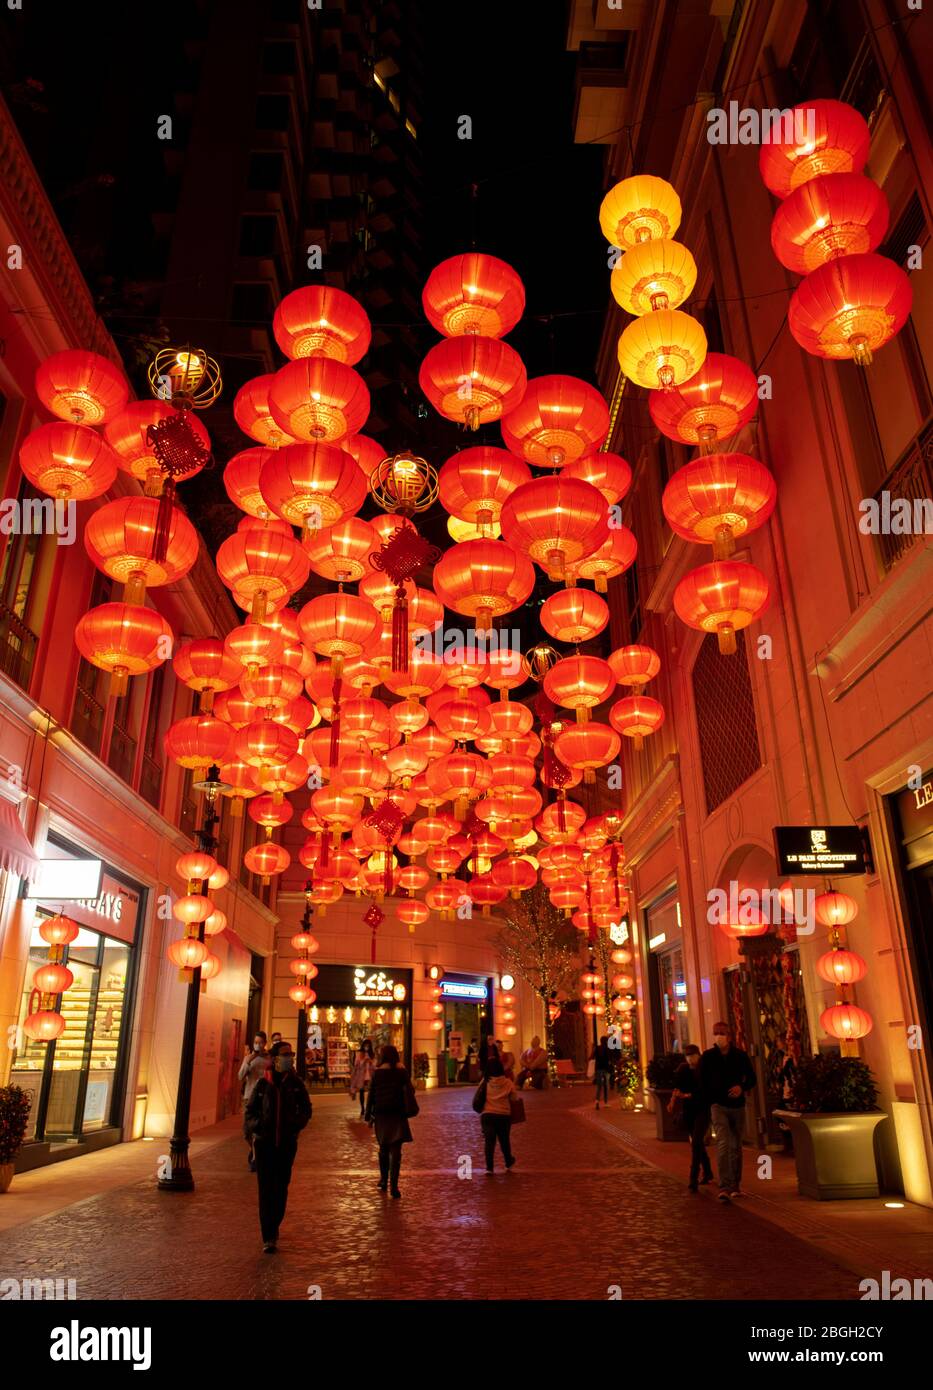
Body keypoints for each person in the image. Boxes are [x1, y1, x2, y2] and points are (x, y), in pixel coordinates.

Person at [244, 1041, 311, 1253]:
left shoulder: (295, 1083)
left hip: (286, 1144)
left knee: (281, 1188)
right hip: (265, 1145)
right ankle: (269, 1236)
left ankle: (274, 1225)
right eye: (285, 1054)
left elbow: (307, 1109)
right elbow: (250, 1112)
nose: (289, 1057)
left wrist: (295, 1125)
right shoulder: (264, 1084)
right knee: (266, 1190)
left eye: (290, 1054)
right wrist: (259, 1128)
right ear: (274, 1059)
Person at [700, 1022, 756, 1203]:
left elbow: (752, 1078)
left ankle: (735, 1185)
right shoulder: (708, 1057)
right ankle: (724, 1186)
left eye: (722, 1033)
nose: (718, 1036)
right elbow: (701, 1080)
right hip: (718, 1105)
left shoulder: (740, 1056)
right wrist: (710, 1098)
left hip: (737, 1106)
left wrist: (742, 1087)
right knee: (723, 1143)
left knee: (735, 1146)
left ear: (729, 1036)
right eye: (715, 1033)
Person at [364, 1044, 416, 1198]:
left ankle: (383, 1180)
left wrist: (368, 1114)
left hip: (381, 1115)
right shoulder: (402, 1072)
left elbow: (371, 1094)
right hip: (398, 1114)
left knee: (383, 1149)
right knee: (396, 1152)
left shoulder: (378, 1073)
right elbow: (410, 1090)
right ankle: (394, 1186)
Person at [670, 1043, 713, 1190]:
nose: (690, 1059)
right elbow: (677, 1087)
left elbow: (706, 1091)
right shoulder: (683, 1070)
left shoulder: (704, 1070)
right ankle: (707, 1172)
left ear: (698, 1055)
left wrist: (687, 1095)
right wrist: (673, 1101)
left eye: (692, 1055)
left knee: (696, 1142)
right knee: (697, 1142)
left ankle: (693, 1177)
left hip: (702, 1109)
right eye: (687, 1056)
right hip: (689, 1111)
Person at [475, 1056, 517, 1173]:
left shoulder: (485, 1081)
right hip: (504, 1115)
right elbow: (514, 1098)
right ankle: (508, 1162)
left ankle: (489, 1167)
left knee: (489, 1141)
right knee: (504, 1140)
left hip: (488, 1115)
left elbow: (479, 1095)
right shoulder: (508, 1082)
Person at [238, 1030, 268, 1170]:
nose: (258, 1045)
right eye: (256, 1042)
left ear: (265, 1043)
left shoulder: (269, 1059)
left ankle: (256, 1159)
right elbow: (240, 1076)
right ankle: (253, 1149)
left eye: (261, 1042)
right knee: (246, 1132)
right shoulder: (248, 1058)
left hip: (263, 1098)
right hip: (249, 1097)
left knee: (258, 1130)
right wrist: (248, 1062)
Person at [349, 1038, 375, 1119]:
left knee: (372, 1092)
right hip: (362, 1075)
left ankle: (370, 1108)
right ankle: (363, 1108)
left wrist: (370, 1061)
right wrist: (364, 1060)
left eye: (368, 1045)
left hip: (370, 1074)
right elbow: (356, 1064)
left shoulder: (372, 1054)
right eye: (365, 1045)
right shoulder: (359, 1053)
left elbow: (375, 1065)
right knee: (361, 1091)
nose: (366, 1047)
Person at [591, 1035, 612, 1109]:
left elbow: (592, 1057)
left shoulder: (597, 1048)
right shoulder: (607, 1049)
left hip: (598, 1069)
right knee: (606, 1086)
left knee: (599, 1086)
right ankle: (606, 1102)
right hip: (605, 1069)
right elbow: (609, 1059)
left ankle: (597, 1101)